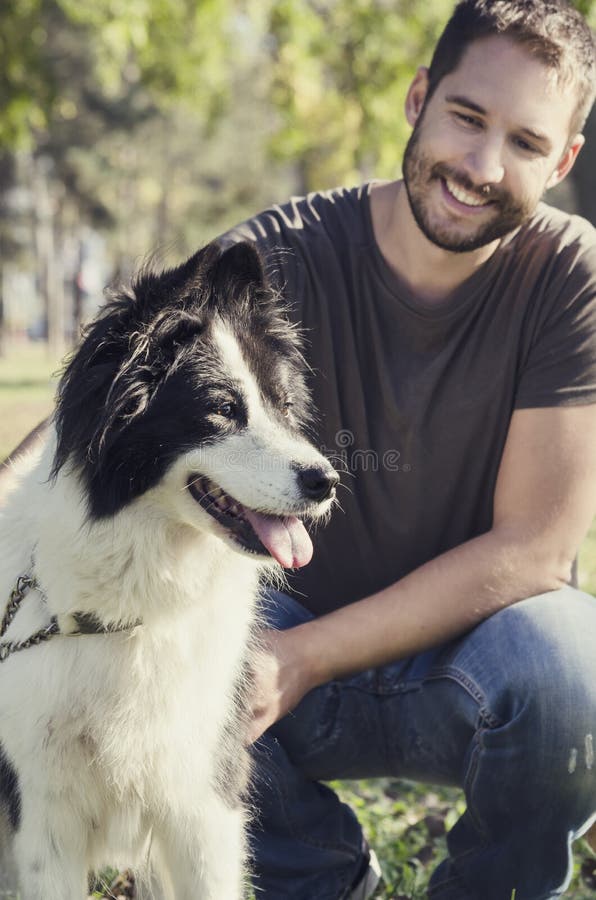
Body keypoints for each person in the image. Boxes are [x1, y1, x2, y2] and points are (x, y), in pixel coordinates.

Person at [218, 1, 596, 898]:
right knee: (155, 633)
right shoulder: (282, 258)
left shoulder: (570, 275)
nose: (482, 167)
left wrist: (305, 659)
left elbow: (536, 551)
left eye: (526, 143)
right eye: (467, 117)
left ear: (564, 160)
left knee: (575, 670)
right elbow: (112, 400)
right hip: (271, 667)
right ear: (419, 95)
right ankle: (315, 879)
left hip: (467, 675)